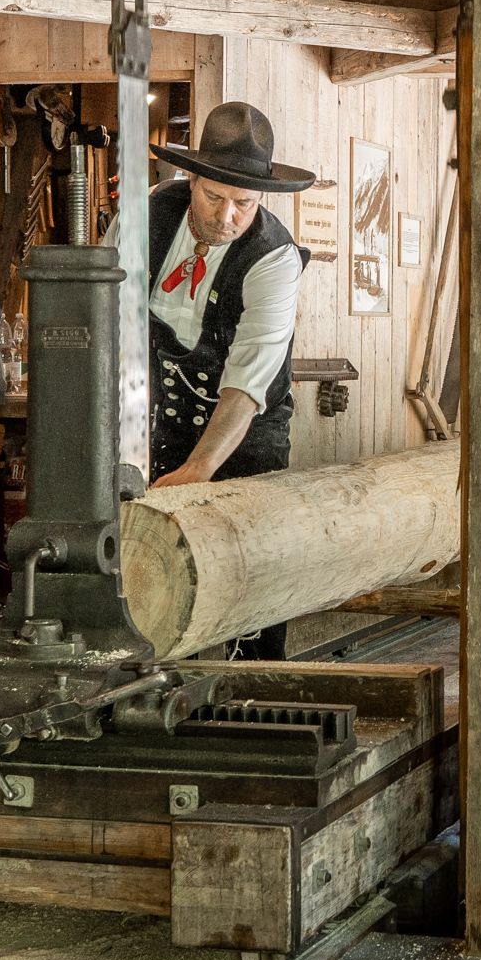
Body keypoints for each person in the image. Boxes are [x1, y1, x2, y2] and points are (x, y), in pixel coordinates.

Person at [133, 101, 315, 658]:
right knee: (154, 575)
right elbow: (111, 320)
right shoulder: (147, 218)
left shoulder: (274, 258)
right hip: (165, 423)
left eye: (245, 203)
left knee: (252, 586)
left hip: (247, 435)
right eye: (215, 197)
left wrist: (202, 467)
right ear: (191, 178)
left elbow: (248, 379)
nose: (229, 217)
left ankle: (257, 695)